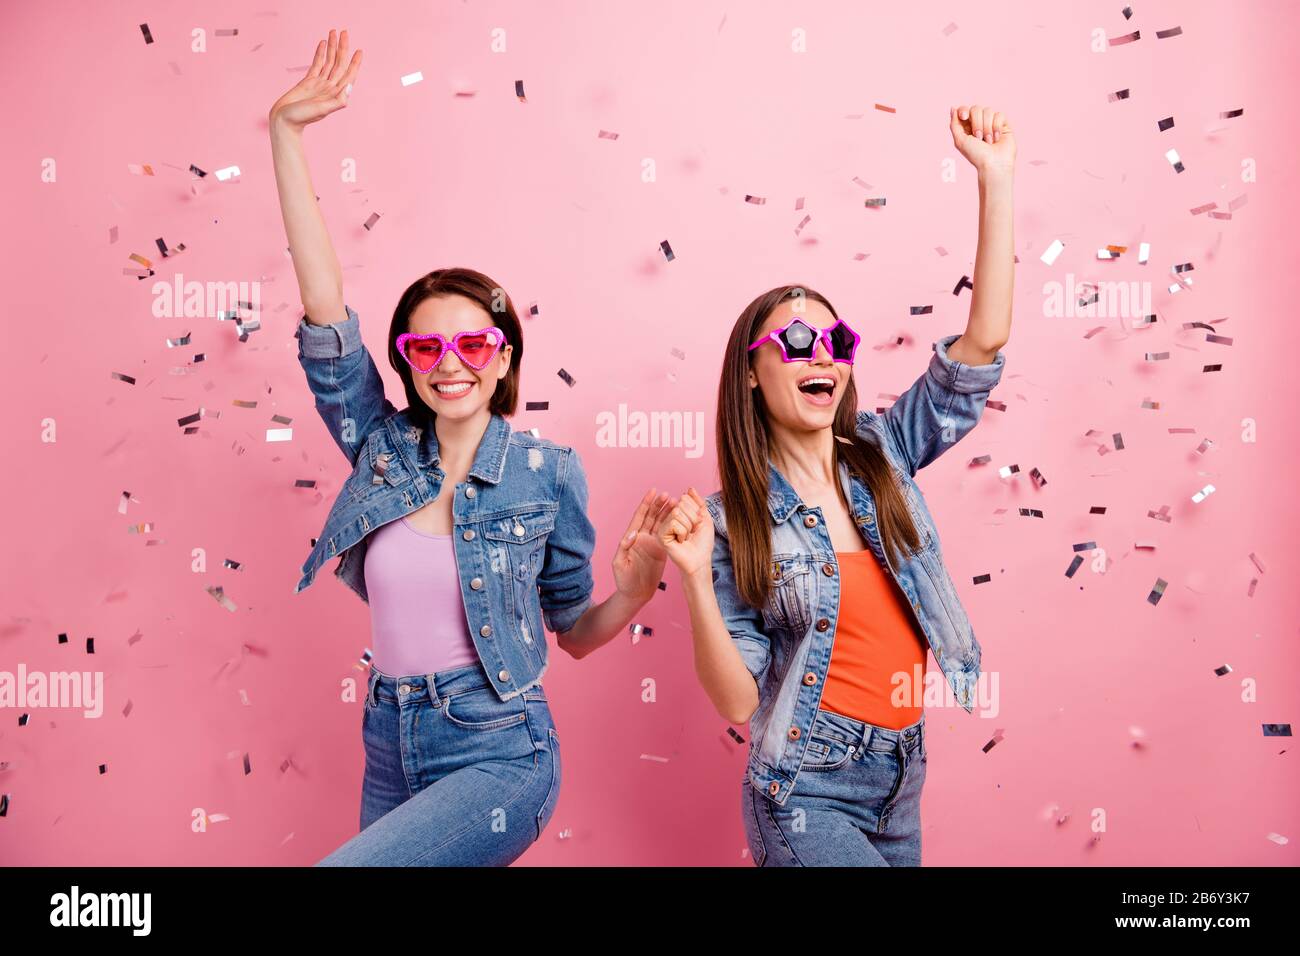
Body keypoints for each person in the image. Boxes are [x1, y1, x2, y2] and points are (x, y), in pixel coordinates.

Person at [270, 29, 673, 866]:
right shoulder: (382, 447)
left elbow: (574, 631)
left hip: (500, 748)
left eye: (473, 347)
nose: (449, 365)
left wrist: (631, 594)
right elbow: (325, 313)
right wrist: (287, 136)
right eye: (425, 350)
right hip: (390, 736)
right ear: (407, 366)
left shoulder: (546, 474)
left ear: (505, 360)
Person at [657, 104, 1016, 866]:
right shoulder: (730, 524)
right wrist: (691, 578)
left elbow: (979, 348)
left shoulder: (884, 453)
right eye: (793, 341)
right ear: (751, 375)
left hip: (902, 776)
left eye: (836, 340)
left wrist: (996, 180)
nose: (822, 353)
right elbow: (737, 701)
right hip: (803, 789)